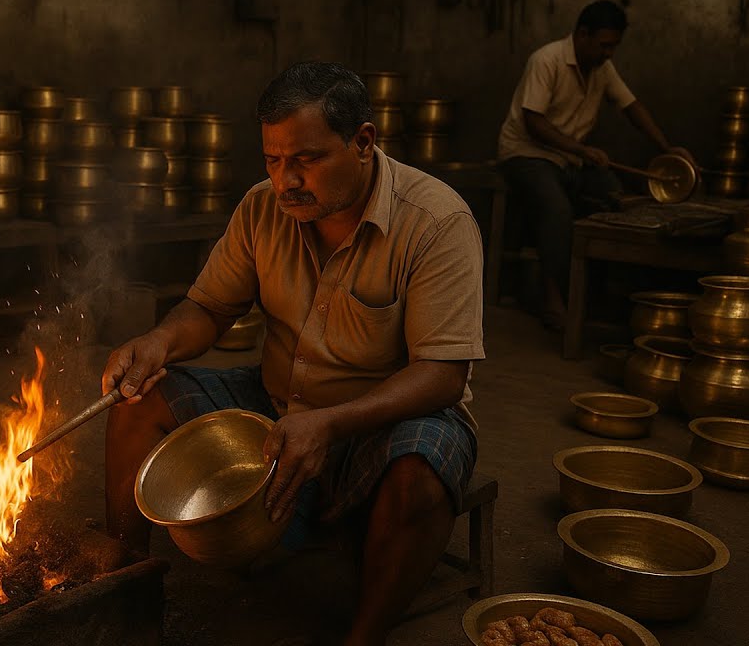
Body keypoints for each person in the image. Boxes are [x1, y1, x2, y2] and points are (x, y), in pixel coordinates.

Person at [101, 62, 485, 646]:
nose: (286, 181)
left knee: (420, 476)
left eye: (306, 160)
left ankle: (364, 636)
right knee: (136, 400)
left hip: (386, 418)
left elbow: (441, 377)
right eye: (273, 161)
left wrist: (327, 425)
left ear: (362, 142)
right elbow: (207, 310)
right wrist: (157, 341)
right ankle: (126, 592)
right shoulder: (262, 210)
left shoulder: (437, 222)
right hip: (279, 402)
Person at [498, 0, 696, 331]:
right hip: (527, 154)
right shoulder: (546, 60)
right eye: (605, 45)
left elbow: (631, 107)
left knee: (616, 200)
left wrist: (668, 149)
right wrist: (581, 149)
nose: (609, 53)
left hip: (571, 158)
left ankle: (600, 296)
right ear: (583, 34)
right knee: (557, 210)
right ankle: (553, 300)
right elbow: (534, 122)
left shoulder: (603, 68)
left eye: (614, 46)